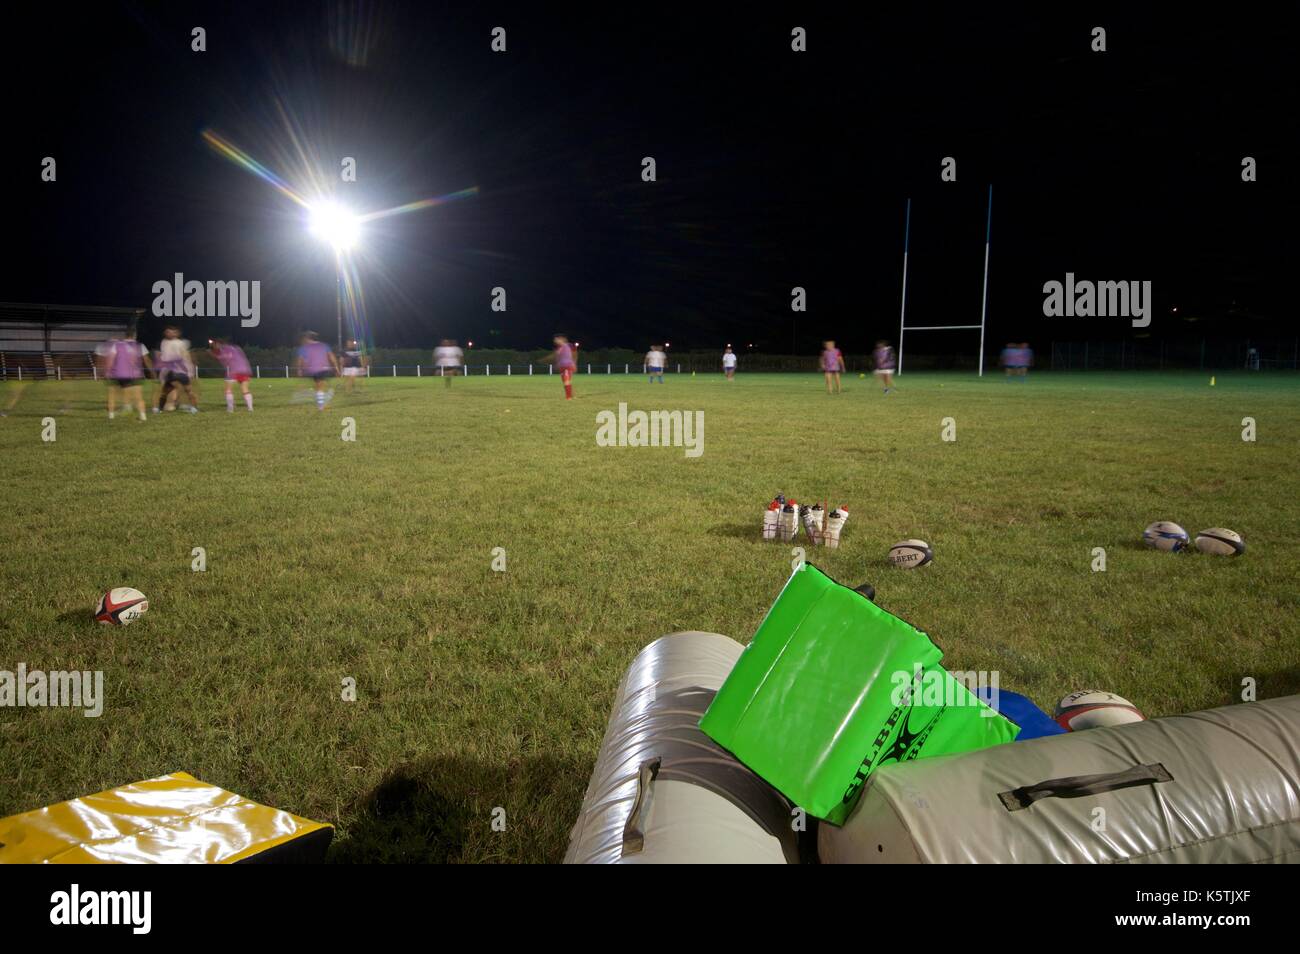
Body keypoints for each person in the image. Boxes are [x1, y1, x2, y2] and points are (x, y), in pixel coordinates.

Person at [97, 330, 153, 421]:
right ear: (134, 336)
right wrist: (151, 371)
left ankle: (111, 416)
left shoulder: (117, 345)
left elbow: (110, 360)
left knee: (112, 394)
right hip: (135, 374)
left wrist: (107, 372)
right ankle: (143, 416)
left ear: (124, 336)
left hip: (119, 374)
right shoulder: (140, 345)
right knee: (138, 397)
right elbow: (146, 359)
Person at [154, 326, 200, 413]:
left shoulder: (179, 343)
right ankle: (160, 409)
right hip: (170, 372)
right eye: (167, 332)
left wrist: (190, 371)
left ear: (177, 333)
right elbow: (164, 358)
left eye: (172, 332)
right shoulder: (164, 342)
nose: (169, 333)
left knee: (188, 391)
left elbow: (185, 356)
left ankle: (194, 408)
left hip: (180, 372)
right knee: (165, 392)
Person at [295, 331, 341, 410]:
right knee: (320, 386)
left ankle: (321, 403)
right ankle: (324, 398)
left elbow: (300, 359)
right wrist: (336, 367)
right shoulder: (324, 345)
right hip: (324, 369)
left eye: (305, 338)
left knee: (319, 385)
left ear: (308, 338)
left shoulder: (304, 347)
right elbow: (331, 357)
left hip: (313, 370)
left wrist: (299, 369)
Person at [209, 338, 254, 412]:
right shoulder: (237, 348)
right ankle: (250, 408)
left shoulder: (224, 349)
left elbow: (226, 357)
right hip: (245, 369)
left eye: (214, 344)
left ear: (219, 344)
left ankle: (230, 409)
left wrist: (213, 355)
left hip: (234, 370)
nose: (214, 346)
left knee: (228, 390)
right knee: (245, 389)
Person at [544, 335, 577, 400]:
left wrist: (574, 364)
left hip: (567, 366)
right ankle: (570, 395)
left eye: (556, 340)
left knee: (566, 380)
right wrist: (556, 364)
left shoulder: (569, 345)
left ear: (562, 339)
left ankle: (568, 397)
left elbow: (574, 354)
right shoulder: (559, 348)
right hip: (562, 366)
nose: (555, 341)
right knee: (566, 381)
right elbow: (557, 356)